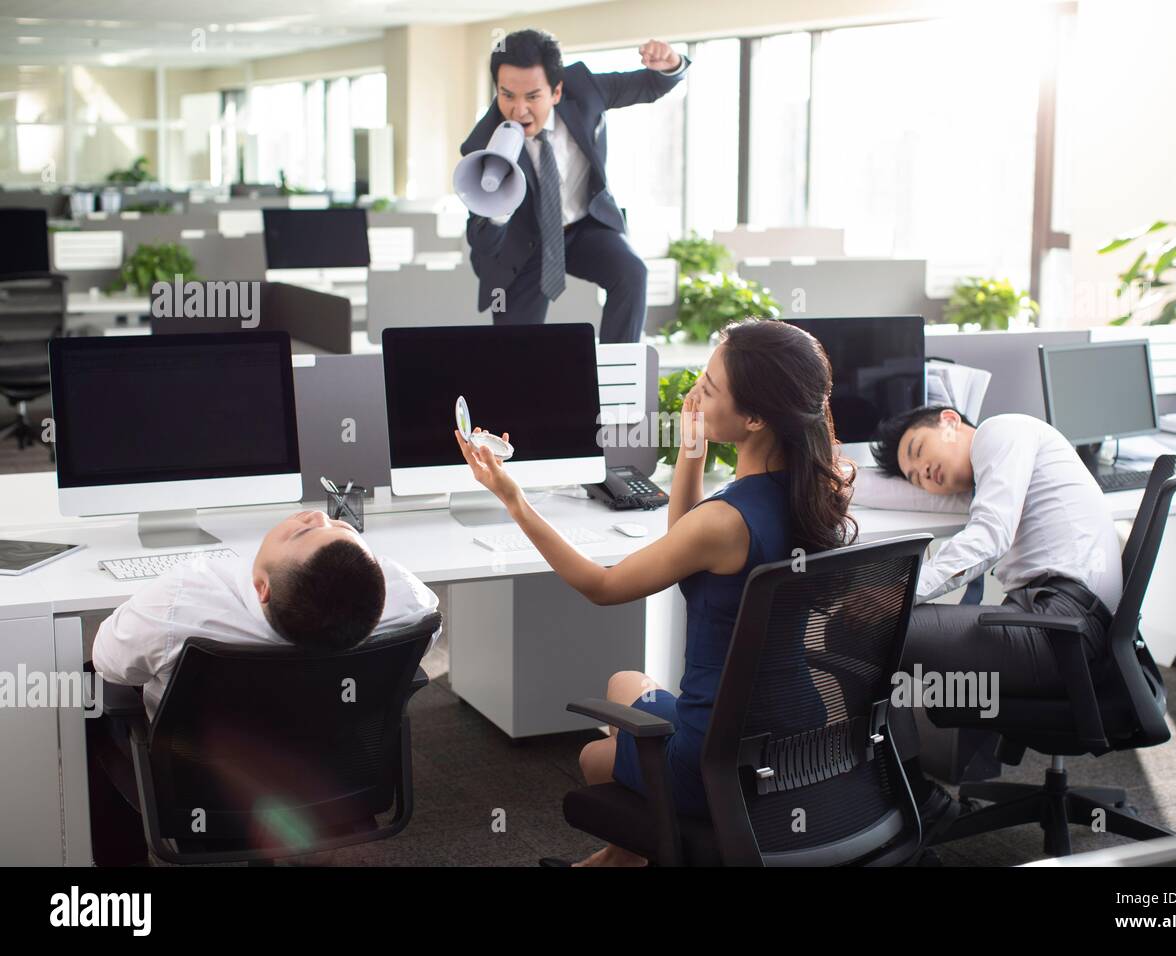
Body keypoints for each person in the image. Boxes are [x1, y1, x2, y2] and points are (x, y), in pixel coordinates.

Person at [455, 319, 856, 866]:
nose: (695, 394)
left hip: (713, 755)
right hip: (797, 737)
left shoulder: (725, 521)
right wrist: (690, 450)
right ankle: (618, 860)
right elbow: (686, 541)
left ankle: (628, 857)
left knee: (597, 757)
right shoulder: (817, 492)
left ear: (756, 417)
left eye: (710, 389)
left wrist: (514, 500)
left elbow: (601, 587)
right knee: (627, 682)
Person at [86, 509, 438, 864]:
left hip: (206, 792)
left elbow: (108, 663)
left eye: (302, 533)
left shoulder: (183, 598)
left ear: (262, 587)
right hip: (332, 778)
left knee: (89, 684)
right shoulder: (406, 601)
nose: (318, 514)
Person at [862, 406, 1123, 835]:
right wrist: (837, 478)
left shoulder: (1001, 432)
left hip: (1063, 629)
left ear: (949, 420)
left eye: (918, 450)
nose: (923, 473)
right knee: (885, 641)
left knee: (873, 632)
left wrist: (897, 594)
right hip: (1062, 627)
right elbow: (910, 497)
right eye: (914, 473)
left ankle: (915, 802)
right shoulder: (996, 463)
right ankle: (906, 796)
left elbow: (989, 538)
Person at [459, 28, 689, 343]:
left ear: (556, 91)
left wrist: (670, 63)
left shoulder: (585, 90)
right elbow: (482, 241)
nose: (519, 109)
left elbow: (651, 85)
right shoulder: (481, 143)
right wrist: (498, 207)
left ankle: (617, 376)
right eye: (507, 94)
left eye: (533, 96)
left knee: (632, 273)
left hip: (583, 228)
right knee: (512, 354)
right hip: (522, 244)